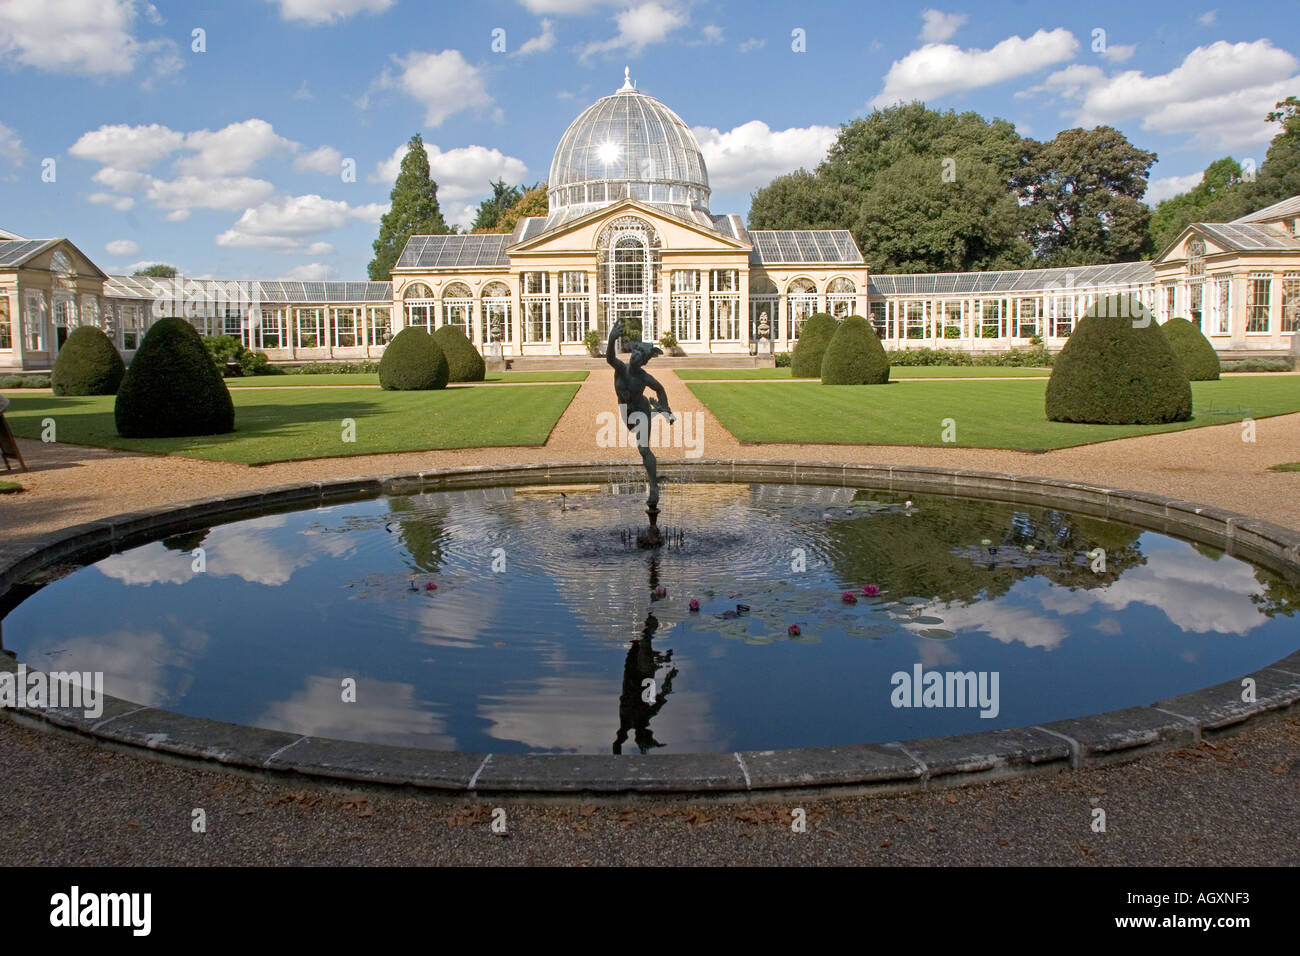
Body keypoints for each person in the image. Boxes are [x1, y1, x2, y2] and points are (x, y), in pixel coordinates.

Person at [606, 319, 675, 507]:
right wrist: (612, 339)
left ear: (644, 361)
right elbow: (610, 359)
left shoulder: (644, 377)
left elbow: (660, 389)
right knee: (640, 443)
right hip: (626, 412)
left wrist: (667, 408)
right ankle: (657, 411)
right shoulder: (621, 369)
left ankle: (654, 487)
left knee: (643, 449)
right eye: (635, 352)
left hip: (641, 409)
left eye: (640, 355)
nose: (635, 356)